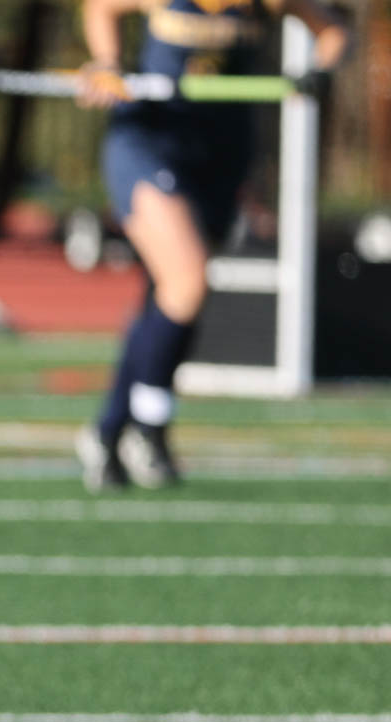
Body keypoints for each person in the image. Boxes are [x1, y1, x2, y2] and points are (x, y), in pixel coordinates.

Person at [73, 0, 348, 493]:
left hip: (221, 153)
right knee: (188, 279)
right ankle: (150, 424)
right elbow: (100, 8)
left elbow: (332, 33)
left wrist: (318, 74)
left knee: (169, 294)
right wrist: (107, 62)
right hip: (149, 142)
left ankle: (108, 431)